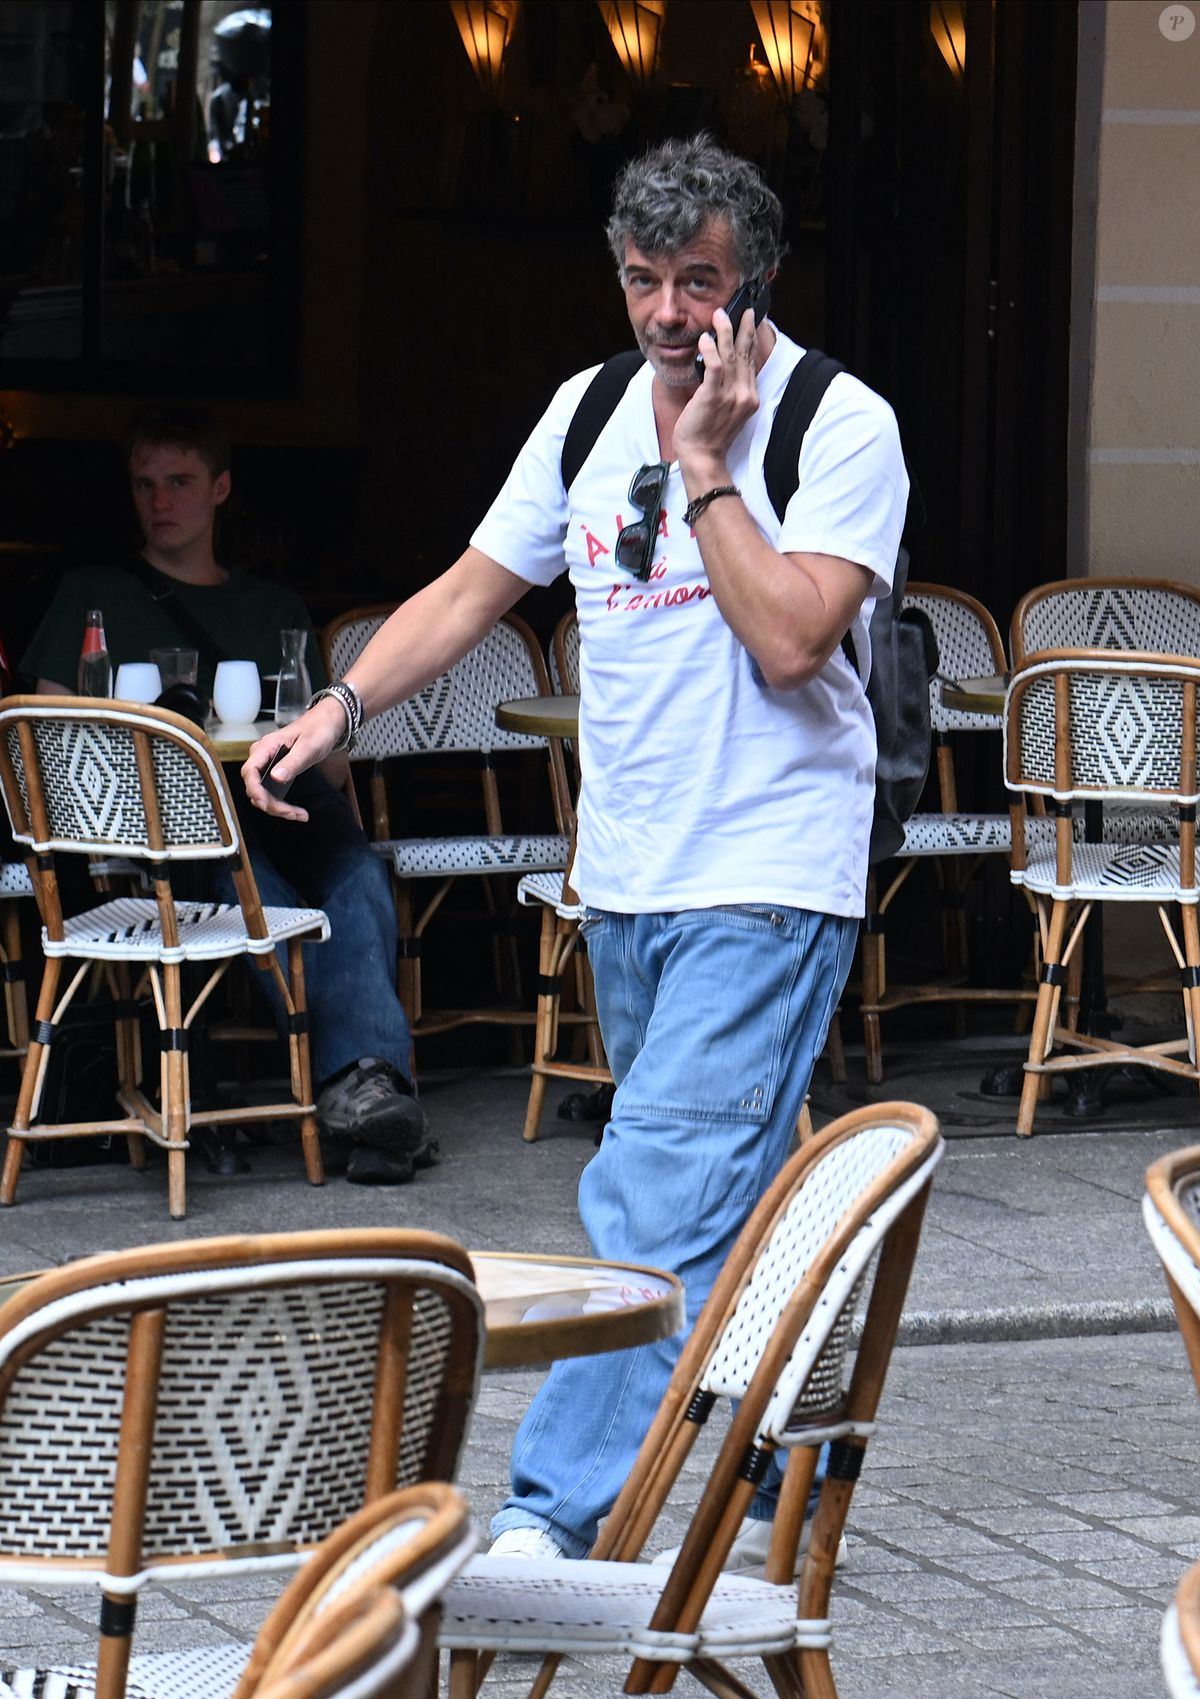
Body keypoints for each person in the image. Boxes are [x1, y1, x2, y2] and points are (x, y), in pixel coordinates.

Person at [244, 133, 907, 1562]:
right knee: (726, 1192)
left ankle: (555, 1517)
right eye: (646, 281)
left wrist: (709, 468)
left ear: (759, 283)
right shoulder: (582, 412)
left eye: (702, 284)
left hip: (771, 875)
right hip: (628, 874)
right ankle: (770, 1453)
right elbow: (476, 588)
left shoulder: (841, 424)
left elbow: (795, 642)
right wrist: (344, 705)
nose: (671, 314)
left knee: (654, 1187)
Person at [22, 403, 434, 1185]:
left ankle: (369, 1085)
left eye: (179, 482)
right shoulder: (94, 594)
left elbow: (331, 762)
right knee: (251, 886)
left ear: (220, 489)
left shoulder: (272, 608)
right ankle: (366, 1092)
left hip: (277, 794)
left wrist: (320, 752)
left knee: (354, 871)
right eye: (145, 484)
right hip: (152, 823)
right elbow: (49, 736)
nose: (160, 501)